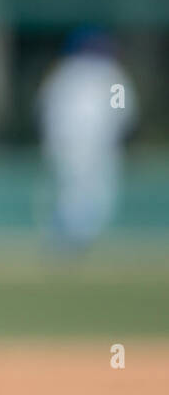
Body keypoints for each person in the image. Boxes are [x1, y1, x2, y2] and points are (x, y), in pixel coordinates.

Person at [37, 28, 137, 252]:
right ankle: (70, 241)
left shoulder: (63, 73)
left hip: (65, 145)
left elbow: (44, 110)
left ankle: (67, 240)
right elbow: (126, 115)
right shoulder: (110, 74)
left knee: (73, 193)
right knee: (92, 195)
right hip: (96, 147)